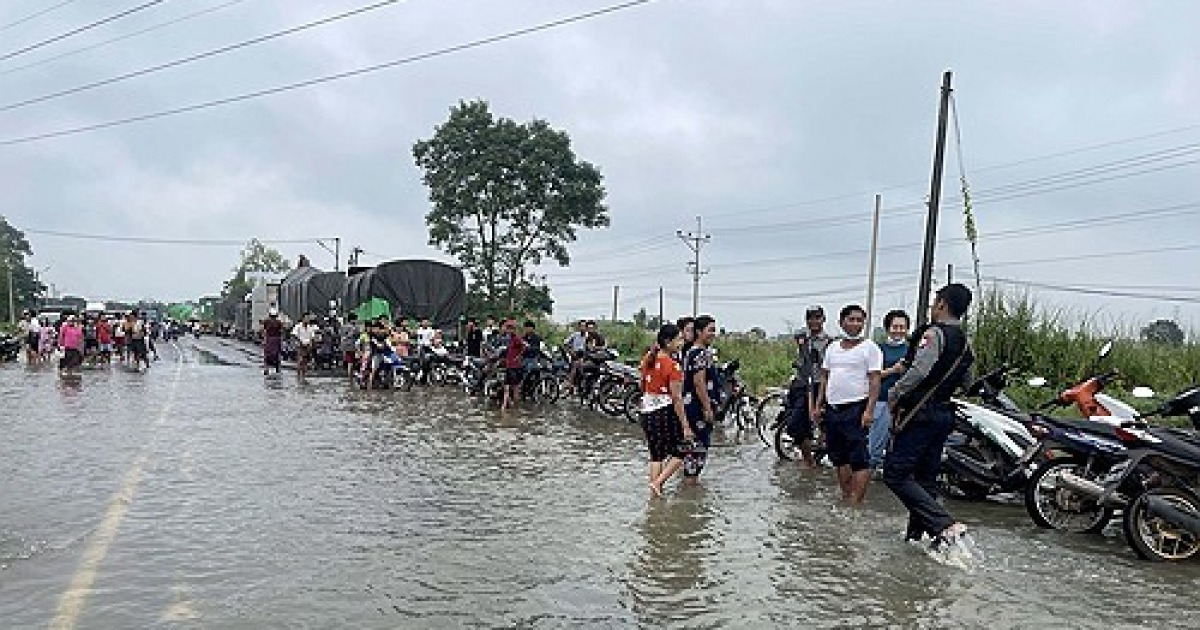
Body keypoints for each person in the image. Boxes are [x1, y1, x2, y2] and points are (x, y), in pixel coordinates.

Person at [884, 284, 976, 552]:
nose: (933, 307)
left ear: (942, 304)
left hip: (920, 414)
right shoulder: (965, 342)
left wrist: (895, 392)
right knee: (925, 479)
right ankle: (917, 540)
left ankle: (943, 525)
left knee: (895, 473)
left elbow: (919, 371)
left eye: (936, 302)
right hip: (944, 414)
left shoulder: (934, 334)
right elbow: (967, 380)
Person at [813, 305, 882, 504]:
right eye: (851, 319)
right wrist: (818, 405)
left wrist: (869, 410)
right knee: (839, 457)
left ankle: (856, 502)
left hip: (857, 408)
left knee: (859, 458)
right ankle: (847, 496)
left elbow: (875, 380)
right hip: (834, 409)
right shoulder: (833, 348)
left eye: (859, 320)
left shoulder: (870, 348)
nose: (855, 324)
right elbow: (825, 377)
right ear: (842, 322)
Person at [639, 323, 695, 497]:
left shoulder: (648, 360)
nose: (681, 342)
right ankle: (658, 482)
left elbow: (642, 385)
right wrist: (685, 425)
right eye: (678, 339)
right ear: (667, 342)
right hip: (664, 411)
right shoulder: (673, 366)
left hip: (646, 411)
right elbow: (677, 398)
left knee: (656, 455)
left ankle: (655, 494)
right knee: (683, 449)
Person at [786, 306, 833, 468]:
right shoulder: (801, 337)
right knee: (795, 424)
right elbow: (800, 358)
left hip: (819, 384)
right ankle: (808, 459)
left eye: (817, 318)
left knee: (822, 417)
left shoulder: (829, 342)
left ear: (823, 319)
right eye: (810, 318)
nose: (814, 321)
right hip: (801, 384)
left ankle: (822, 443)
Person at [870, 310, 911, 470]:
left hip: (904, 403)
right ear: (888, 328)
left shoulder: (911, 350)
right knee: (875, 443)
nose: (899, 331)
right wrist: (893, 370)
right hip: (881, 400)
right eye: (895, 327)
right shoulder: (878, 349)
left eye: (902, 327)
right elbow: (871, 376)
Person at [681, 315, 719, 479]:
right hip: (697, 408)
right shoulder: (701, 354)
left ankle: (689, 485)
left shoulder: (691, 352)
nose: (713, 334)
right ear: (699, 332)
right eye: (710, 330)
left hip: (691, 406)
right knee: (698, 448)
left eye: (714, 330)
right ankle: (690, 486)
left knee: (692, 449)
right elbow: (699, 383)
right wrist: (707, 407)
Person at [499, 319, 527, 411]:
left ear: (512, 329)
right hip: (510, 366)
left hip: (514, 367)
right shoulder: (510, 338)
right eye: (507, 328)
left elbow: (524, 347)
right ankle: (508, 407)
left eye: (508, 328)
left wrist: (518, 357)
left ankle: (511, 407)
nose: (507, 330)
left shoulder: (516, 338)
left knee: (514, 389)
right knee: (508, 388)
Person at [292, 313, 318, 379]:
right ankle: (298, 376)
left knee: (305, 361)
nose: (307, 320)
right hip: (300, 345)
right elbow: (294, 335)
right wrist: (300, 342)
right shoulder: (298, 326)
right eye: (306, 318)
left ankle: (303, 375)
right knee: (300, 360)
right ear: (303, 318)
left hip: (308, 345)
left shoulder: (310, 328)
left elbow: (312, 337)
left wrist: (311, 344)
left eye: (308, 318)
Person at [262, 309, 284, 375]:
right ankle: (274, 368)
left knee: (270, 355)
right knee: (275, 354)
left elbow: (263, 330)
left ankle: (268, 368)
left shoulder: (275, 322)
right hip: (274, 340)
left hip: (271, 340)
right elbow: (282, 331)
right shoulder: (277, 322)